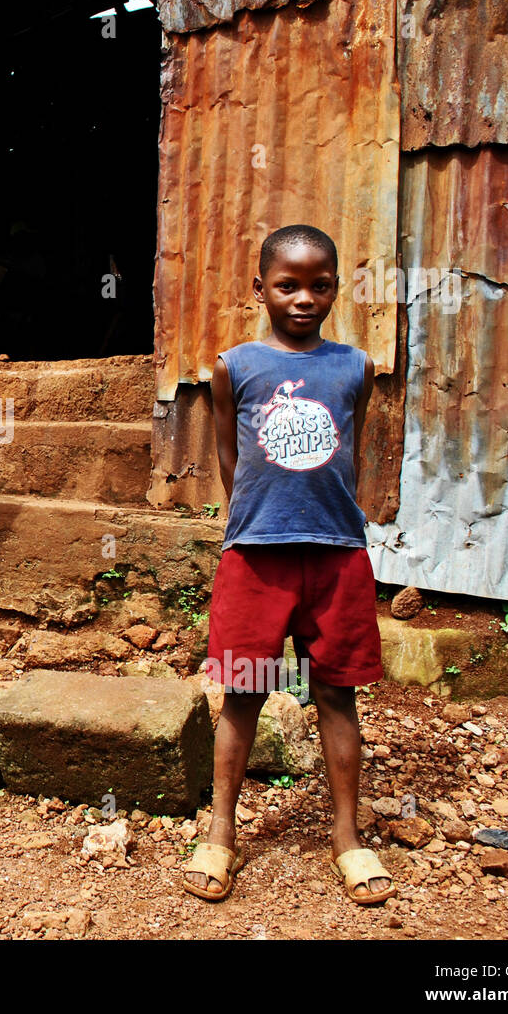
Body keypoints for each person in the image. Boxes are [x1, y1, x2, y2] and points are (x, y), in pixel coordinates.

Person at [182, 224, 393, 906]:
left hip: (337, 555)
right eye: (287, 285)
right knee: (242, 692)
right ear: (260, 289)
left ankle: (346, 836)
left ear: (334, 288)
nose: (304, 298)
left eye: (319, 285)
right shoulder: (234, 366)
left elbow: (348, 451)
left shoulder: (355, 367)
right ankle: (221, 829)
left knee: (337, 693)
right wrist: (257, 523)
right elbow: (229, 462)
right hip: (257, 556)